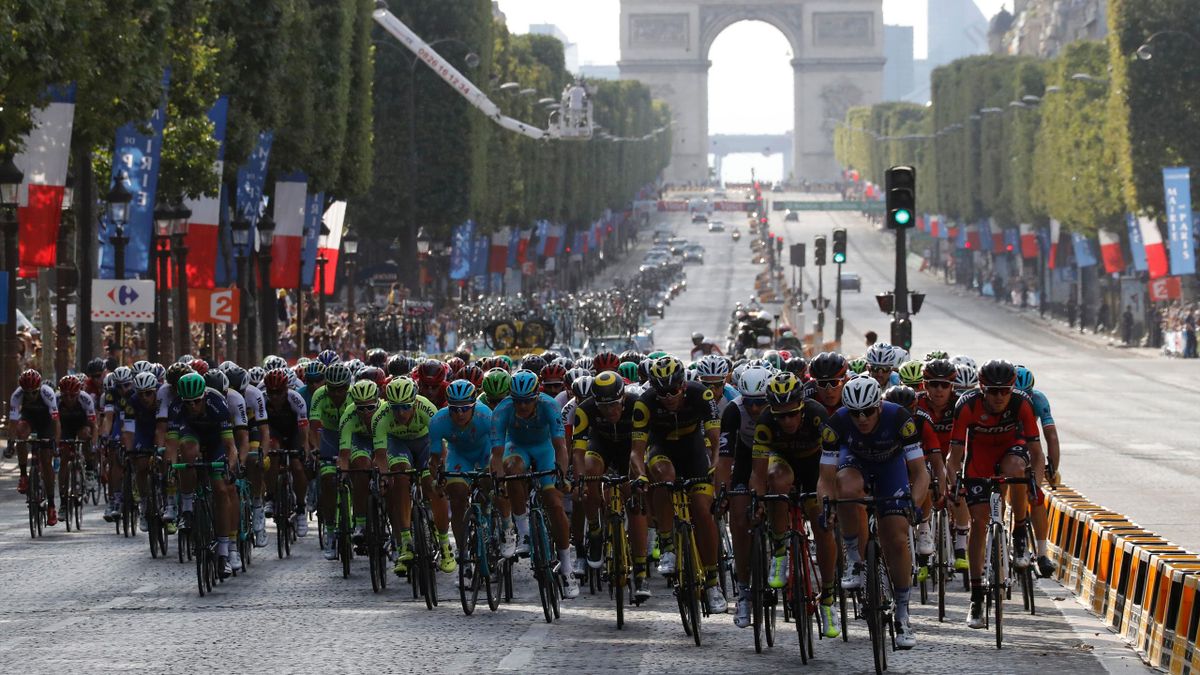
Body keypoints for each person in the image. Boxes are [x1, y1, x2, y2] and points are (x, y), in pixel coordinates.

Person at [821, 375, 928, 649]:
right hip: (854, 463)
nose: (862, 418)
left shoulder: (899, 417)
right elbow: (826, 477)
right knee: (845, 489)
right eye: (855, 413)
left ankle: (903, 614)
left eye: (868, 411)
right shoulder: (836, 423)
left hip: (890, 468)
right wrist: (826, 503)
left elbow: (919, 472)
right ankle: (854, 557)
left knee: (895, 538)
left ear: (879, 406)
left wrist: (913, 504)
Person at [947, 359, 1045, 629]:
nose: (1000, 397)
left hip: (1010, 454)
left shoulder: (1021, 403)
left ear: (1012, 389)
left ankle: (1019, 533)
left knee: (1017, 467)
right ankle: (977, 596)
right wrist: (955, 484)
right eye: (993, 391)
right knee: (979, 523)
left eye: (1005, 391)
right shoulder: (966, 406)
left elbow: (1037, 454)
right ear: (982, 389)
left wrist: (1035, 482)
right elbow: (953, 457)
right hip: (979, 462)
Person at [630, 356, 727, 614]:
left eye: (673, 390)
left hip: (694, 451)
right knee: (662, 476)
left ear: (683, 386)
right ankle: (667, 546)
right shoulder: (645, 402)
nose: (668, 397)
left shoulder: (702, 395)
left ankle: (713, 583)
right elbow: (636, 452)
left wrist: (714, 470)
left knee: (701, 511)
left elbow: (716, 442)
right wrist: (640, 475)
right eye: (662, 392)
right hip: (662, 450)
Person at [491, 369, 579, 599]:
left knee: (554, 502)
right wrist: (499, 478)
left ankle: (567, 567)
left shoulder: (549, 406)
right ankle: (523, 532)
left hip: (544, 449)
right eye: (518, 401)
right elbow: (497, 453)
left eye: (527, 401)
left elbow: (561, 446)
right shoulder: (503, 410)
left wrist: (561, 473)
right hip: (516, 448)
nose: (522, 407)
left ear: (536, 396)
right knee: (512, 471)